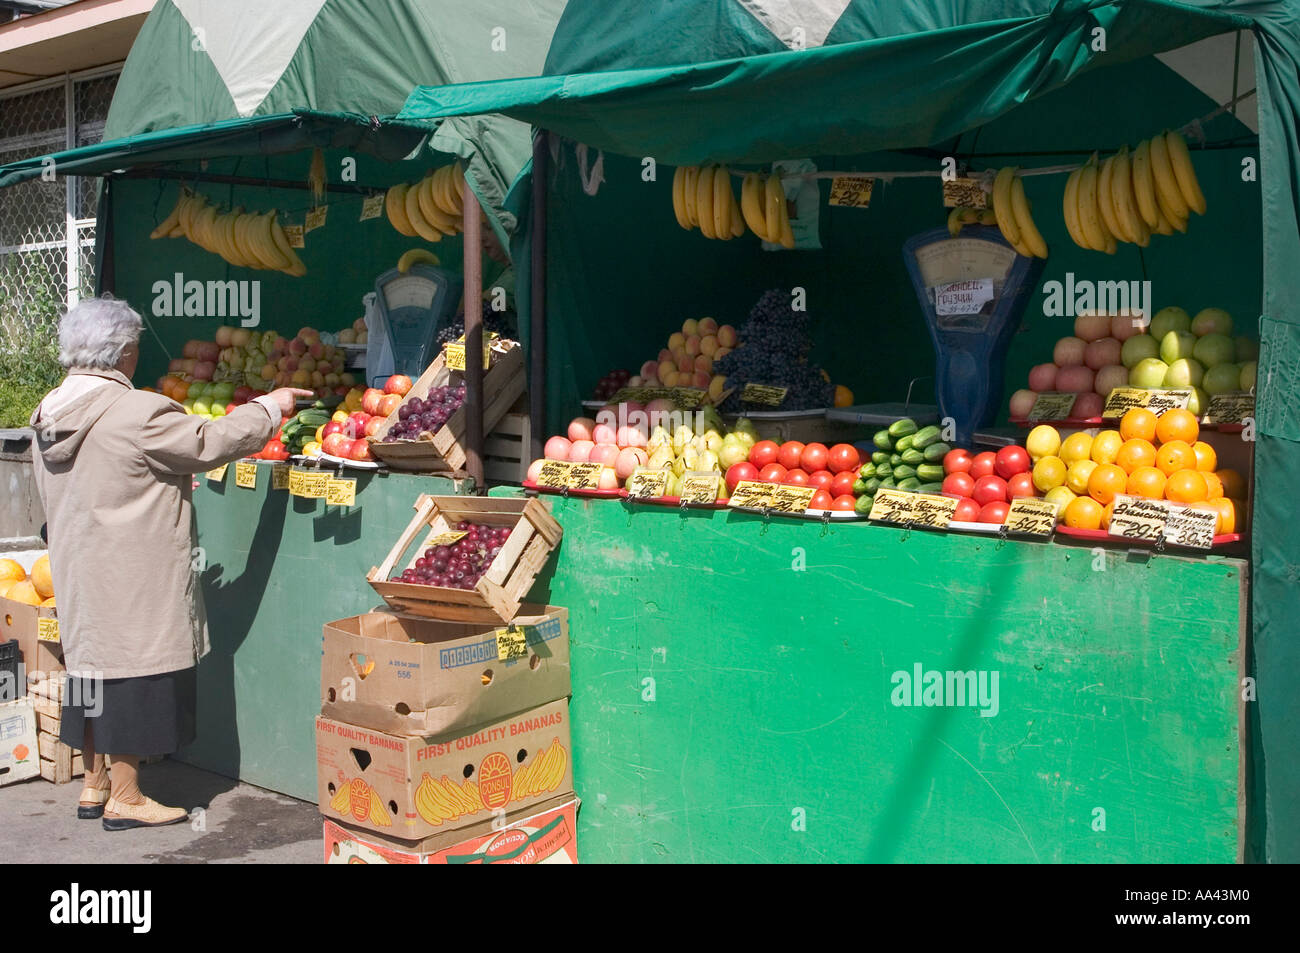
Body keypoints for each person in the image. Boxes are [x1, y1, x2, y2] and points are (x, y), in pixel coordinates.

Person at [29, 295, 311, 831]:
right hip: (134, 575)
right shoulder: (137, 410)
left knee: (89, 670)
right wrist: (268, 408)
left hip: (80, 572)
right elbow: (208, 442)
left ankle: (94, 786)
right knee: (133, 677)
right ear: (127, 352)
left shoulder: (50, 409)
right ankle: (128, 796)